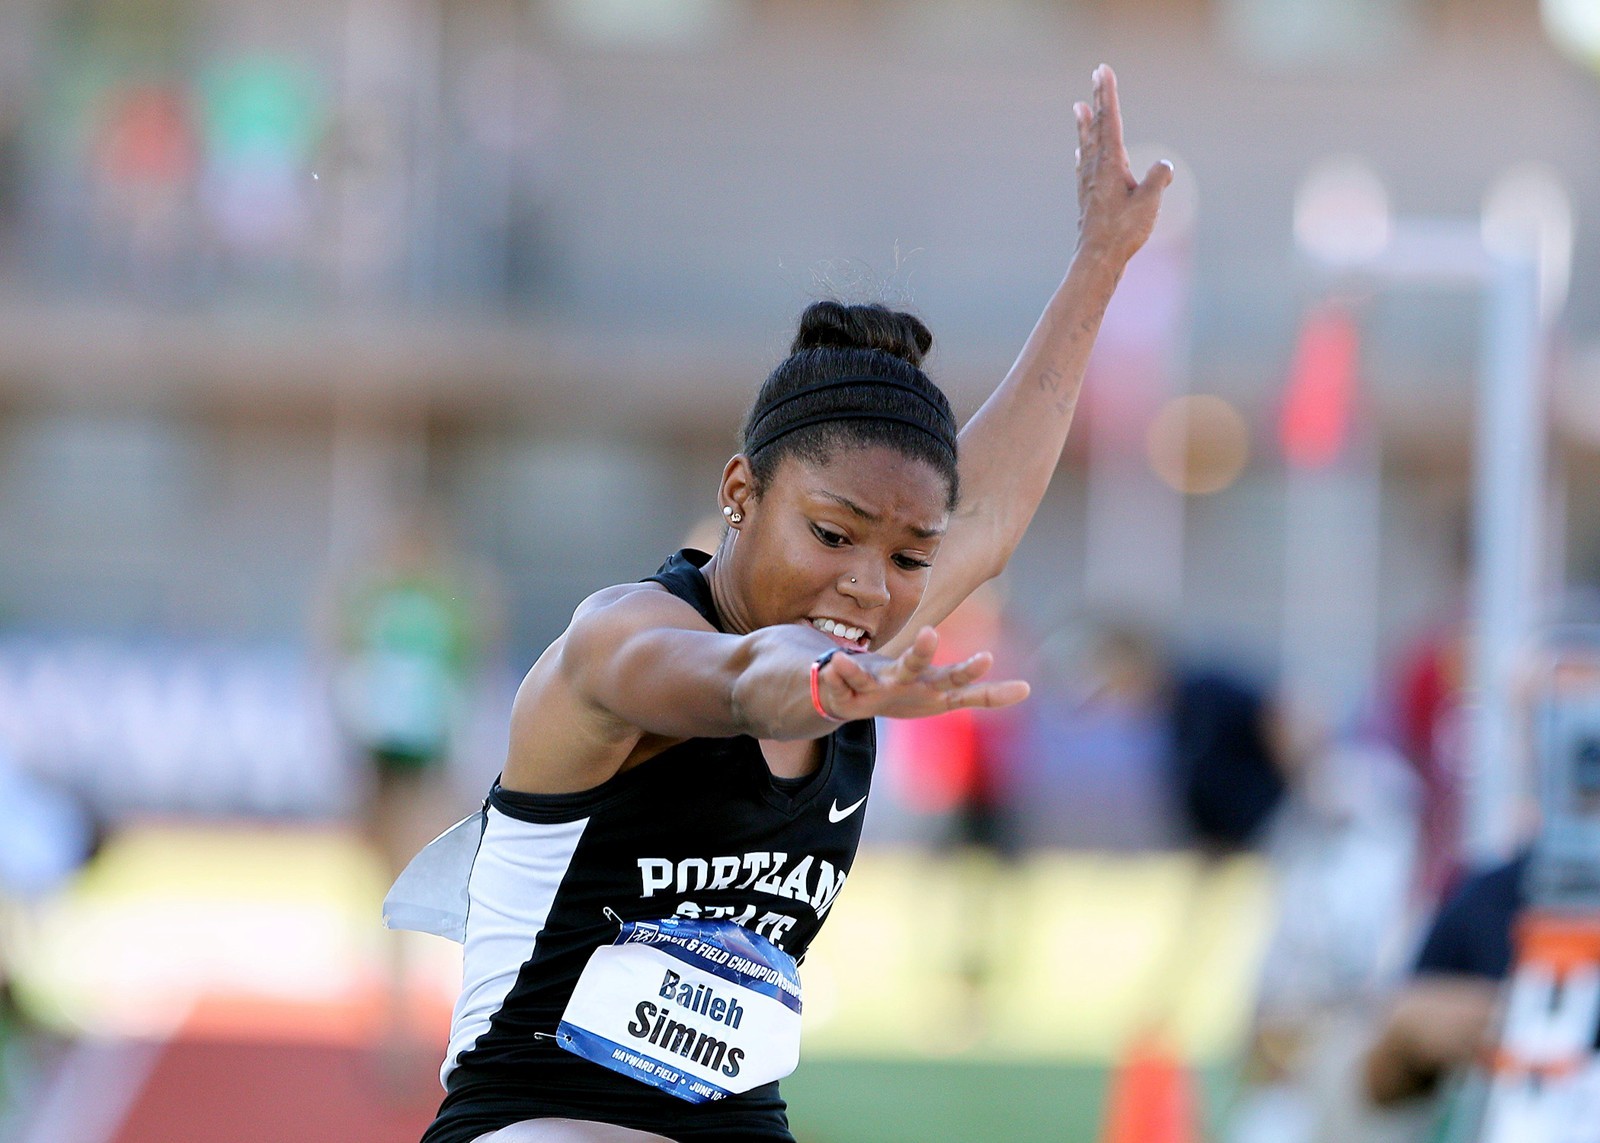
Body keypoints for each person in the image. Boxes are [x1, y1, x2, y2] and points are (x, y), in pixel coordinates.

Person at [417, 65, 1171, 1143]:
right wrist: (828, 686)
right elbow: (738, 683)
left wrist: (1102, 260)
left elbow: (990, 515)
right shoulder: (622, 638)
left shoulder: (864, 634)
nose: (866, 585)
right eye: (831, 535)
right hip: (538, 1118)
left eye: (910, 557)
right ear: (739, 493)